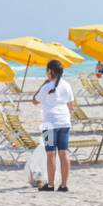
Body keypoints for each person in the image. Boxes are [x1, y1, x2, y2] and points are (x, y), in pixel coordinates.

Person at [32, 59, 74, 191]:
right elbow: (71, 106)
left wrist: (42, 85)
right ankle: (64, 185)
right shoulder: (67, 85)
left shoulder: (46, 86)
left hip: (49, 124)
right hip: (64, 122)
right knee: (64, 153)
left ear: (50, 71)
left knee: (51, 154)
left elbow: (34, 101)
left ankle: (50, 184)